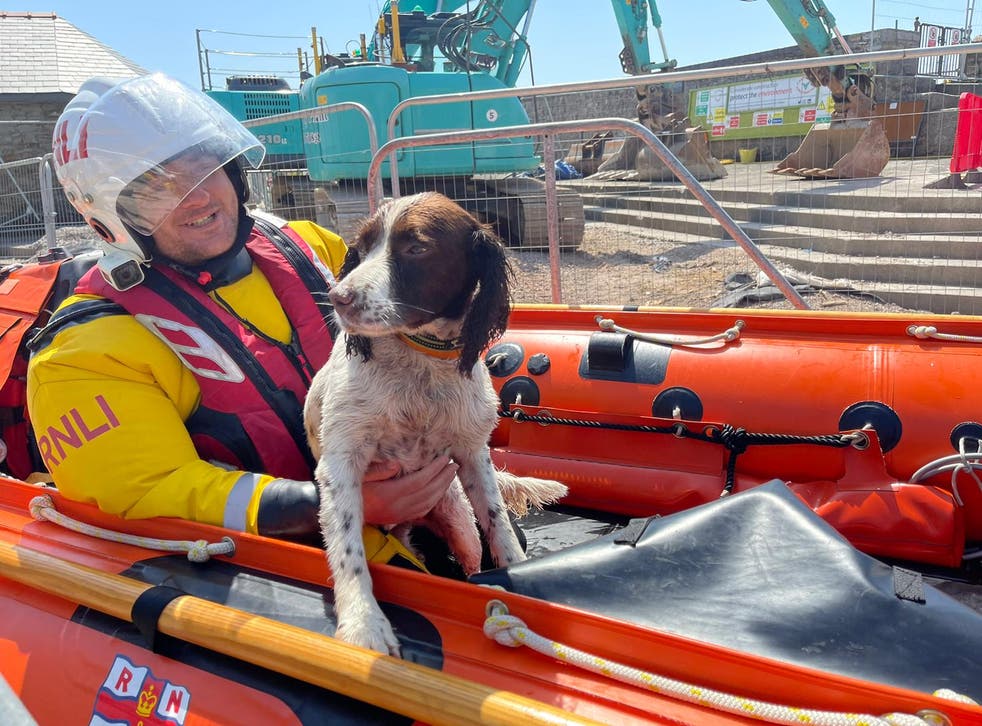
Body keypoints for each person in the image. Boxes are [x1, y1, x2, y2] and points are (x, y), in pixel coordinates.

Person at [26, 72, 458, 562]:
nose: (197, 198)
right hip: (289, 558)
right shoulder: (84, 354)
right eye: (155, 189)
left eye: (203, 168)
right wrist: (333, 502)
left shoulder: (310, 246)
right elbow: (146, 489)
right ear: (110, 219)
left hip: (419, 497)